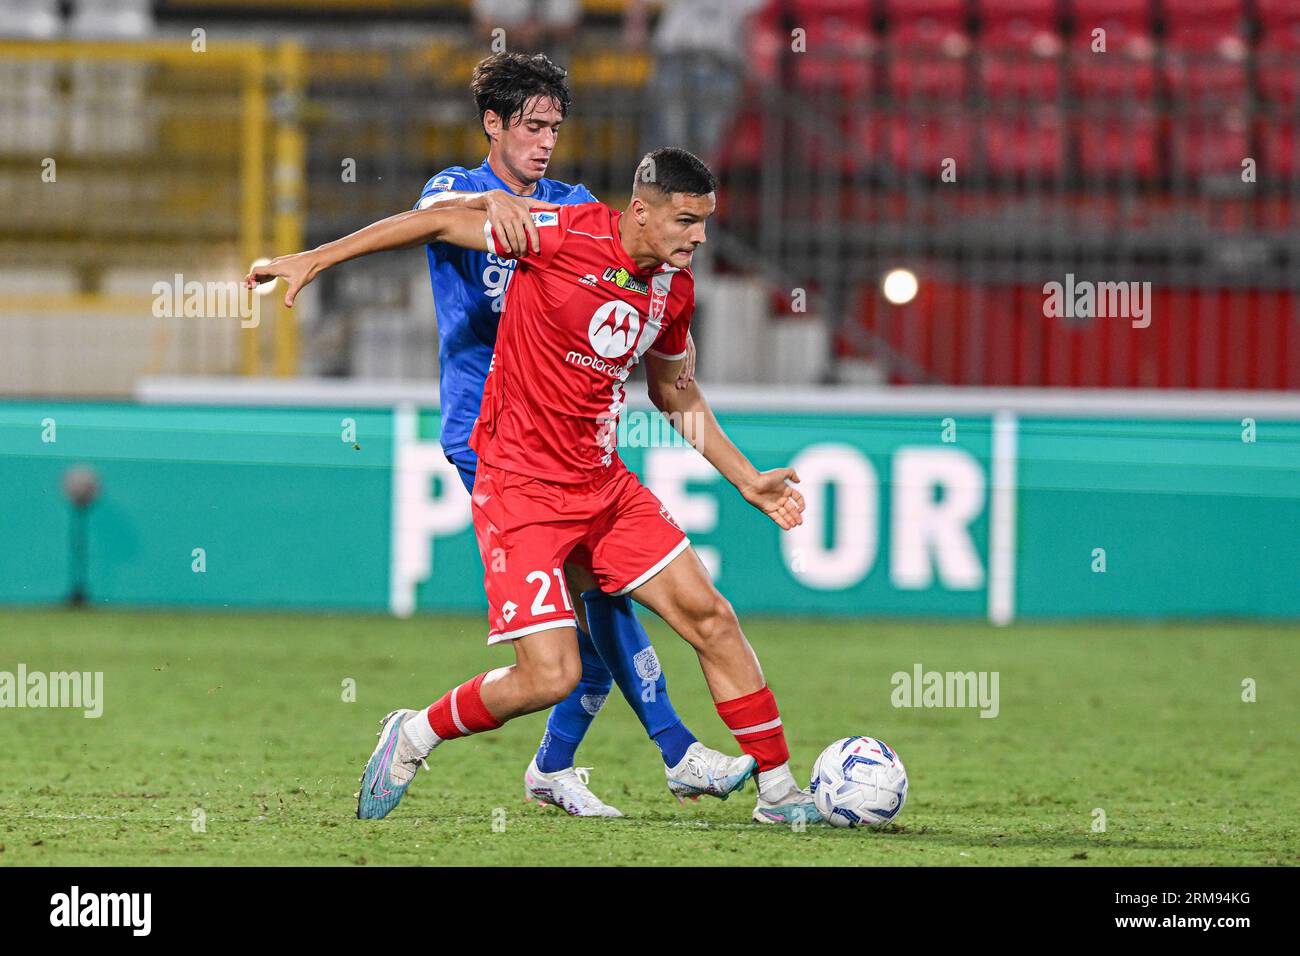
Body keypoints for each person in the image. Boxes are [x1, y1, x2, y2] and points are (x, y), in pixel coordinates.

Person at [248, 147, 819, 825]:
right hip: (520, 488)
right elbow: (433, 224)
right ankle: (415, 733)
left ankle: (779, 793)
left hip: (603, 487)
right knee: (551, 676)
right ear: (642, 211)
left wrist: (747, 478)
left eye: (705, 222)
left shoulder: (674, 288)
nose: (699, 237)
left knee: (712, 617)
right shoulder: (560, 233)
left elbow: (674, 391)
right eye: (686, 221)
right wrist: (316, 258)